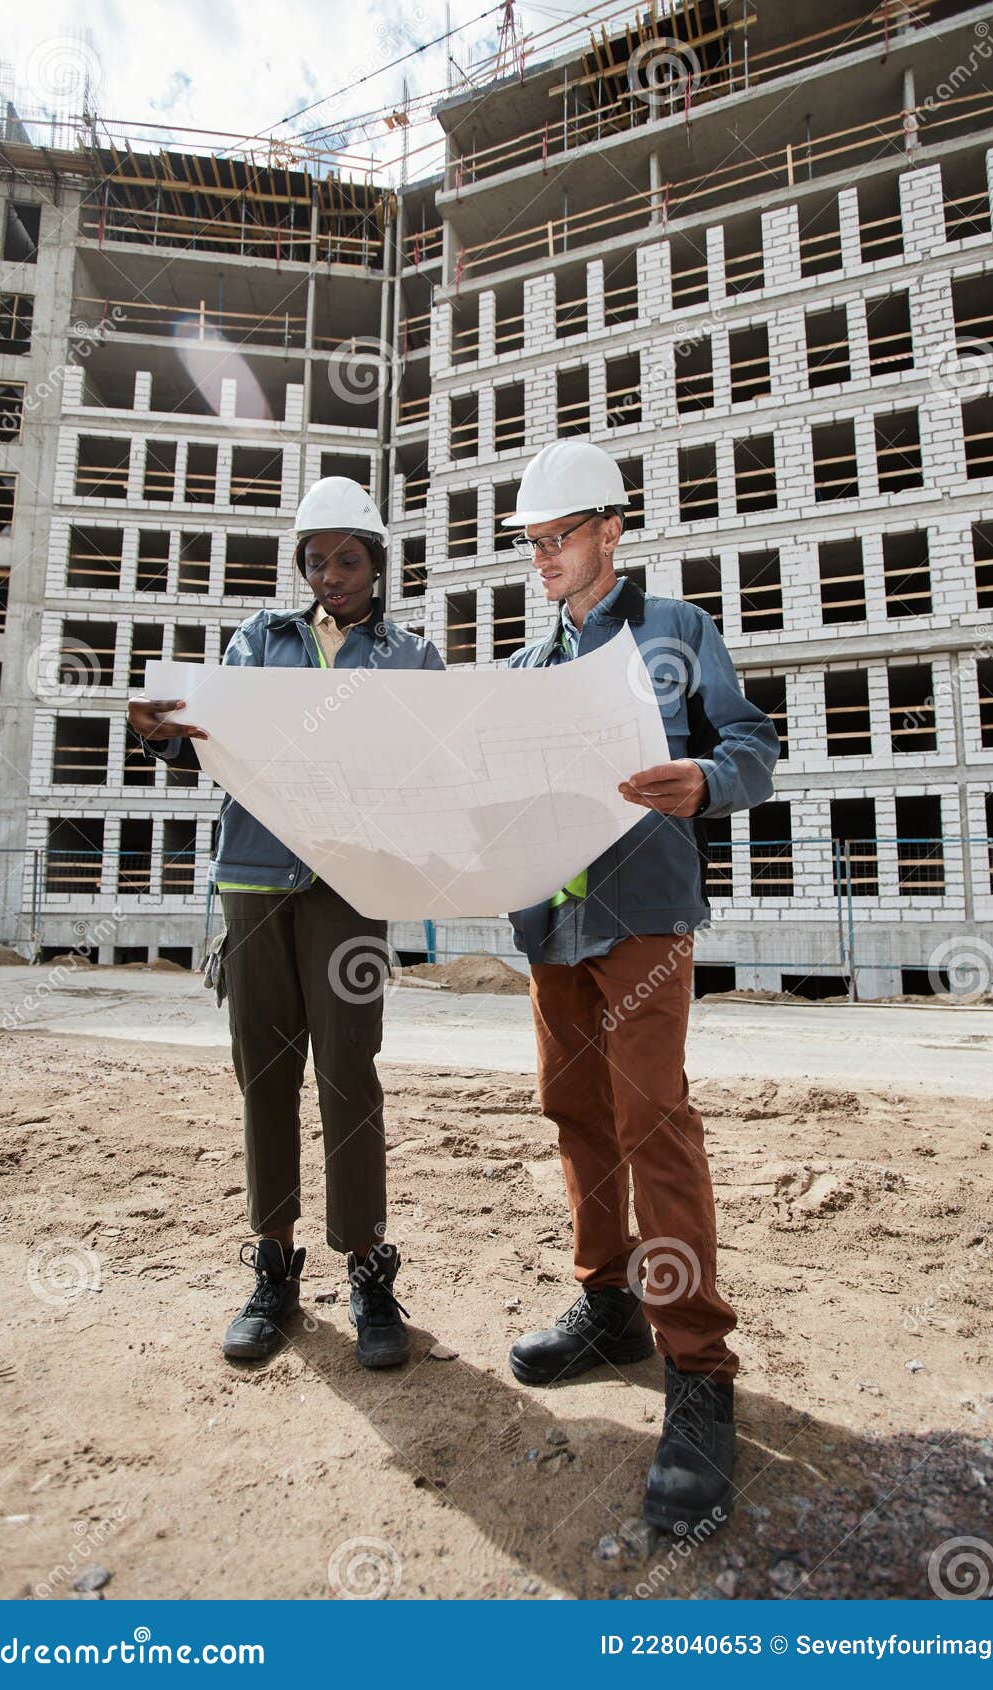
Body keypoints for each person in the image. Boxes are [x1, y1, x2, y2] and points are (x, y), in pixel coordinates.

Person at [501, 439, 780, 1535]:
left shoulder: (677, 634)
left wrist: (703, 779)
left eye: (554, 538)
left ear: (609, 531)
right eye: (529, 544)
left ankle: (698, 1367)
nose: (540, 559)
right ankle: (606, 1303)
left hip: (643, 921)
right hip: (550, 923)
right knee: (573, 1114)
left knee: (651, 1123)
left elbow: (752, 746)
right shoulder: (525, 669)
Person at [127, 477, 444, 1370]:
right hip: (257, 880)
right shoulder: (257, 641)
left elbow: (435, 767)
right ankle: (272, 1263)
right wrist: (159, 732)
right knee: (264, 1071)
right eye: (315, 560)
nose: (330, 574)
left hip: (352, 883)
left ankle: (366, 1264)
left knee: (349, 1071)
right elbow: (204, 740)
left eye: (347, 559)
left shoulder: (409, 658)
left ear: (377, 564)